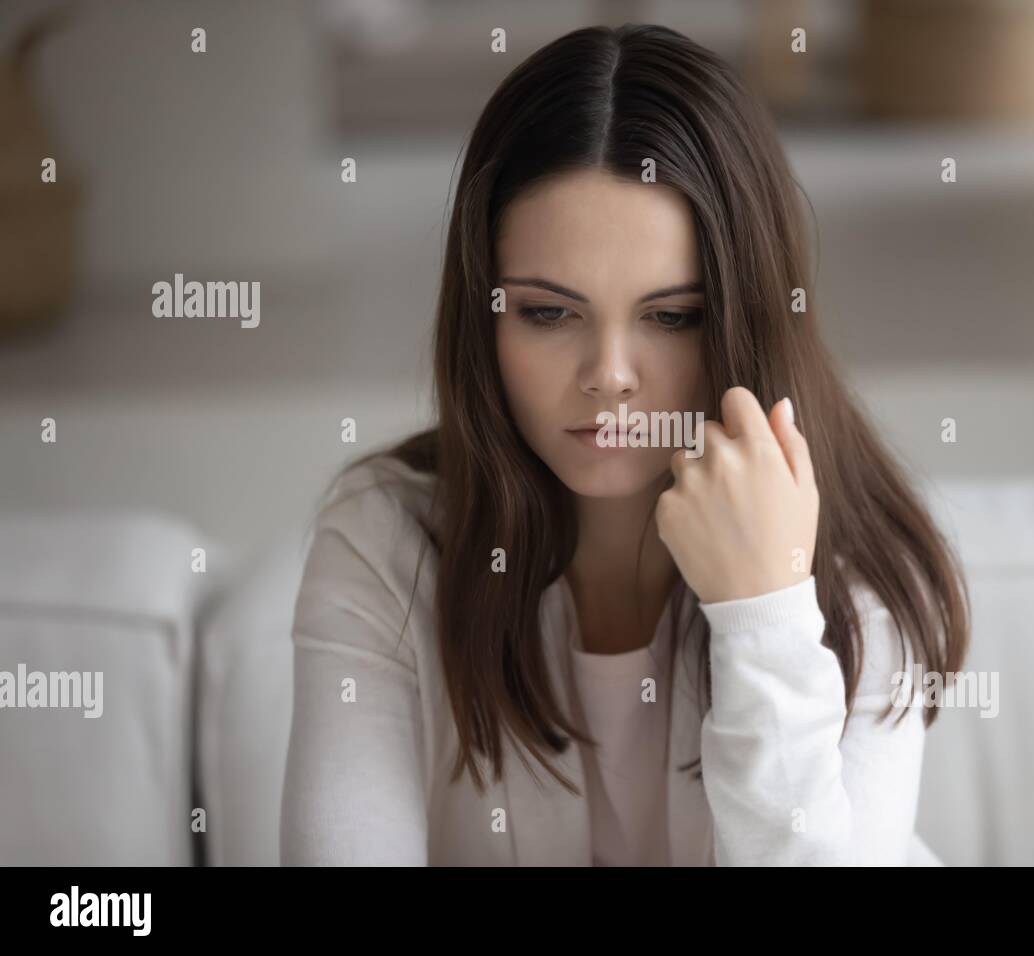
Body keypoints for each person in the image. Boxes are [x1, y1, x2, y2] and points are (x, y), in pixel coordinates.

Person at [280, 22, 969, 866]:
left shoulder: (864, 569)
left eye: (672, 317)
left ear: (744, 322)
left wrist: (766, 615)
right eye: (548, 312)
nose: (609, 376)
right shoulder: (384, 540)